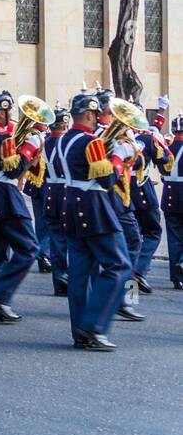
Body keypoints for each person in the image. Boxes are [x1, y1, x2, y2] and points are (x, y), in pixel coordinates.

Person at [61, 92, 133, 349]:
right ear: (91, 114)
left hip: (72, 205)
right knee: (120, 264)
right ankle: (94, 325)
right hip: (94, 208)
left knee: (80, 273)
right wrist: (118, 157)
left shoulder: (65, 139)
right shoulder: (91, 142)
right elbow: (107, 180)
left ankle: (80, 331)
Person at [0, 91, 40, 323]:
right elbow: (13, 169)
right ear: (1, 112)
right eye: (8, 111)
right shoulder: (2, 136)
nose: (10, 116)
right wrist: (30, 146)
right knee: (29, 247)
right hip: (5, 194)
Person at [93, 90, 145, 322]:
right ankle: (125, 298)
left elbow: (139, 161)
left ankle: (111, 297)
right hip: (114, 196)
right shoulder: (104, 134)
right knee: (132, 243)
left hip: (114, 196)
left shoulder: (112, 134)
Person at [129, 96, 169, 294]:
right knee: (152, 232)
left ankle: (130, 294)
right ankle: (139, 270)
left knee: (131, 238)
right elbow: (165, 159)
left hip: (122, 191)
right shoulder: (146, 137)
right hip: (142, 188)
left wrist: (161, 113)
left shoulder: (116, 136)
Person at [40, 106, 72, 296]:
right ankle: (69, 277)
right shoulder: (67, 142)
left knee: (56, 240)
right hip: (67, 192)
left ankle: (59, 280)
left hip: (50, 191)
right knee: (70, 240)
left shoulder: (43, 142)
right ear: (65, 123)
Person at [160, 114, 183, 290]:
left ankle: (177, 278)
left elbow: (162, 172)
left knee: (174, 238)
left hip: (169, 195)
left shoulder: (166, 149)